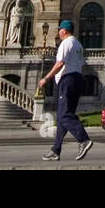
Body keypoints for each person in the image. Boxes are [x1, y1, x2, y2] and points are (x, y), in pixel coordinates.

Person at [37, 20, 92, 162]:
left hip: (68, 80)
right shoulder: (78, 44)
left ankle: (83, 139)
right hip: (77, 79)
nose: (58, 32)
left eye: (60, 29)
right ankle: (55, 150)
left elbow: (60, 63)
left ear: (64, 30)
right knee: (63, 118)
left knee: (64, 116)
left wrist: (46, 78)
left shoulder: (66, 43)